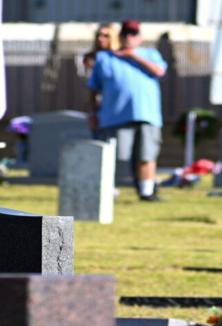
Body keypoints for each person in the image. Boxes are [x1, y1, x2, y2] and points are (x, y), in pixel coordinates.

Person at [87, 18, 166, 202]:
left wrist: (133, 56)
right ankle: (107, 189)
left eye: (134, 34)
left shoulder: (150, 54)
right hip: (114, 116)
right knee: (117, 156)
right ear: (120, 36)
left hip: (147, 114)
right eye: (126, 33)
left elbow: (159, 72)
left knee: (146, 155)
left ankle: (147, 191)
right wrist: (93, 113)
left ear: (140, 37)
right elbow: (94, 89)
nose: (129, 37)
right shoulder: (105, 58)